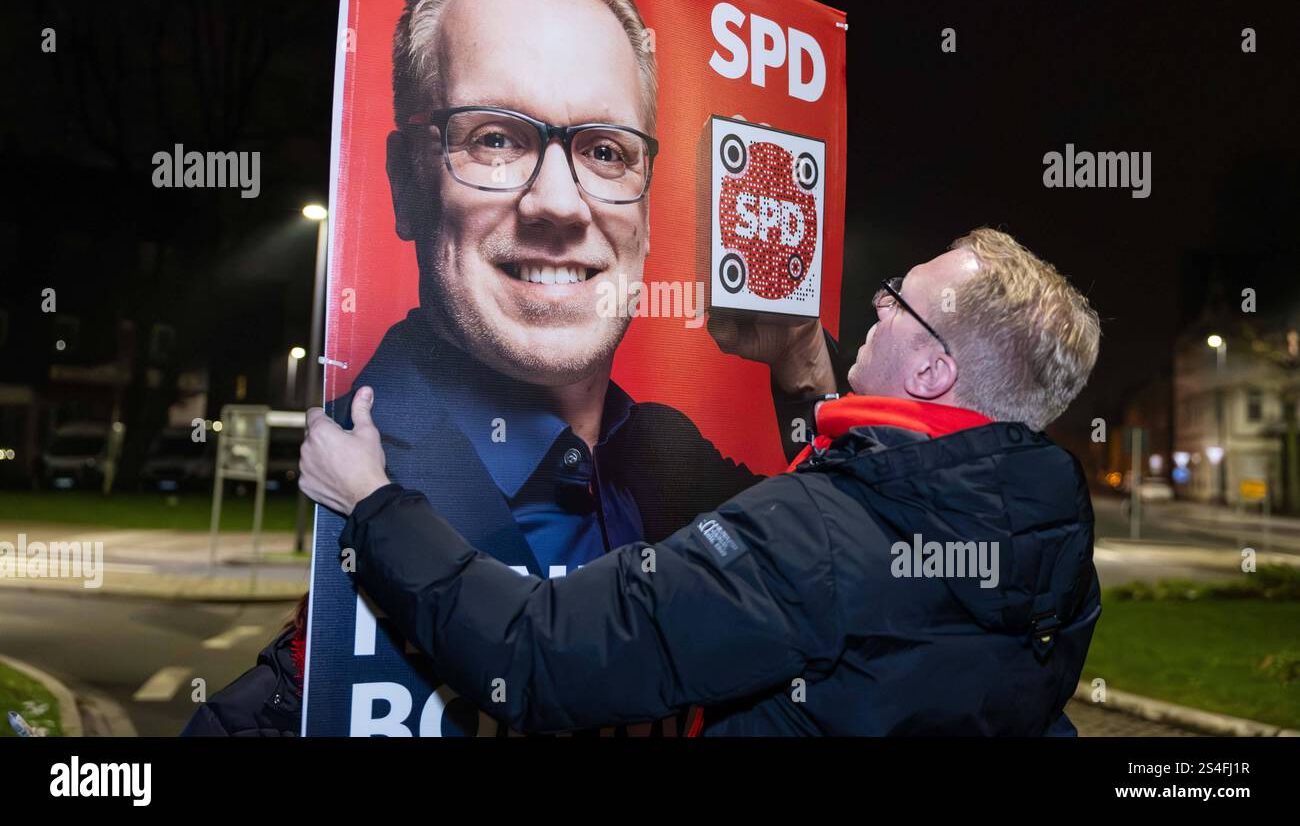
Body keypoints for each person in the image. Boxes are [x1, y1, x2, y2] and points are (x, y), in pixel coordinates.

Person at [182, 0, 837, 736]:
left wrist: (802, 364)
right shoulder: (368, 460)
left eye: (604, 150)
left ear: (647, 204)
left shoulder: (671, 457)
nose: (558, 204)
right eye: (495, 137)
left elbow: (840, 561)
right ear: (403, 182)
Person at [300, 228, 1104, 736]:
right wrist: (801, 376)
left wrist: (371, 502)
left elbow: (538, 656)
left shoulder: (811, 538)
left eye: (900, 301)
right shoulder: (1050, 535)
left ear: (931, 368)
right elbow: (888, 518)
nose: (877, 302)